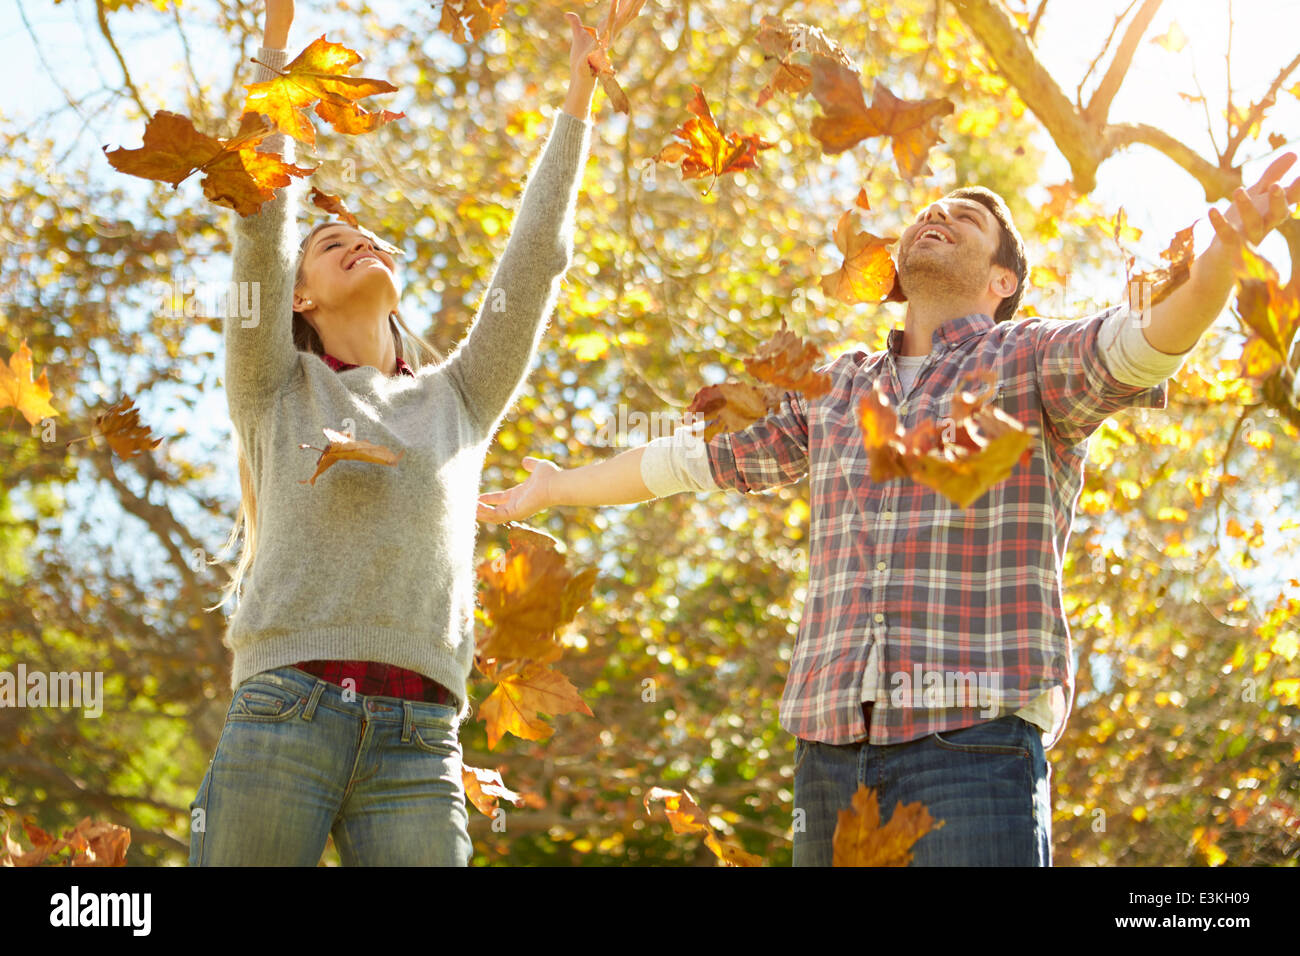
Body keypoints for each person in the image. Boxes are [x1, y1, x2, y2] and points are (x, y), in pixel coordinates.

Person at [477, 162, 1300, 865]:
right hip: (828, 761)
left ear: (1002, 280)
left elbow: (1145, 344)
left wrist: (1222, 258)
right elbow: (682, 464)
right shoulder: (835, 386)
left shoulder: (1032, 361)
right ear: (899, 271)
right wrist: (554, 486)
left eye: (968, 217)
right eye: (931, 211)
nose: (939, 213)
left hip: (974, 749)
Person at [189, 0, 643, 866]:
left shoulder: (460, 400)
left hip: (419, 741)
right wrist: (275, 55)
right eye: (329, 242)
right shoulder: (272, 388)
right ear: (299, 297)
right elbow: (257, 225)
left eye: (364, 233)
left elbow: (536, 258)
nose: (357, 238)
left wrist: (577, 103)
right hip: (285, 710)